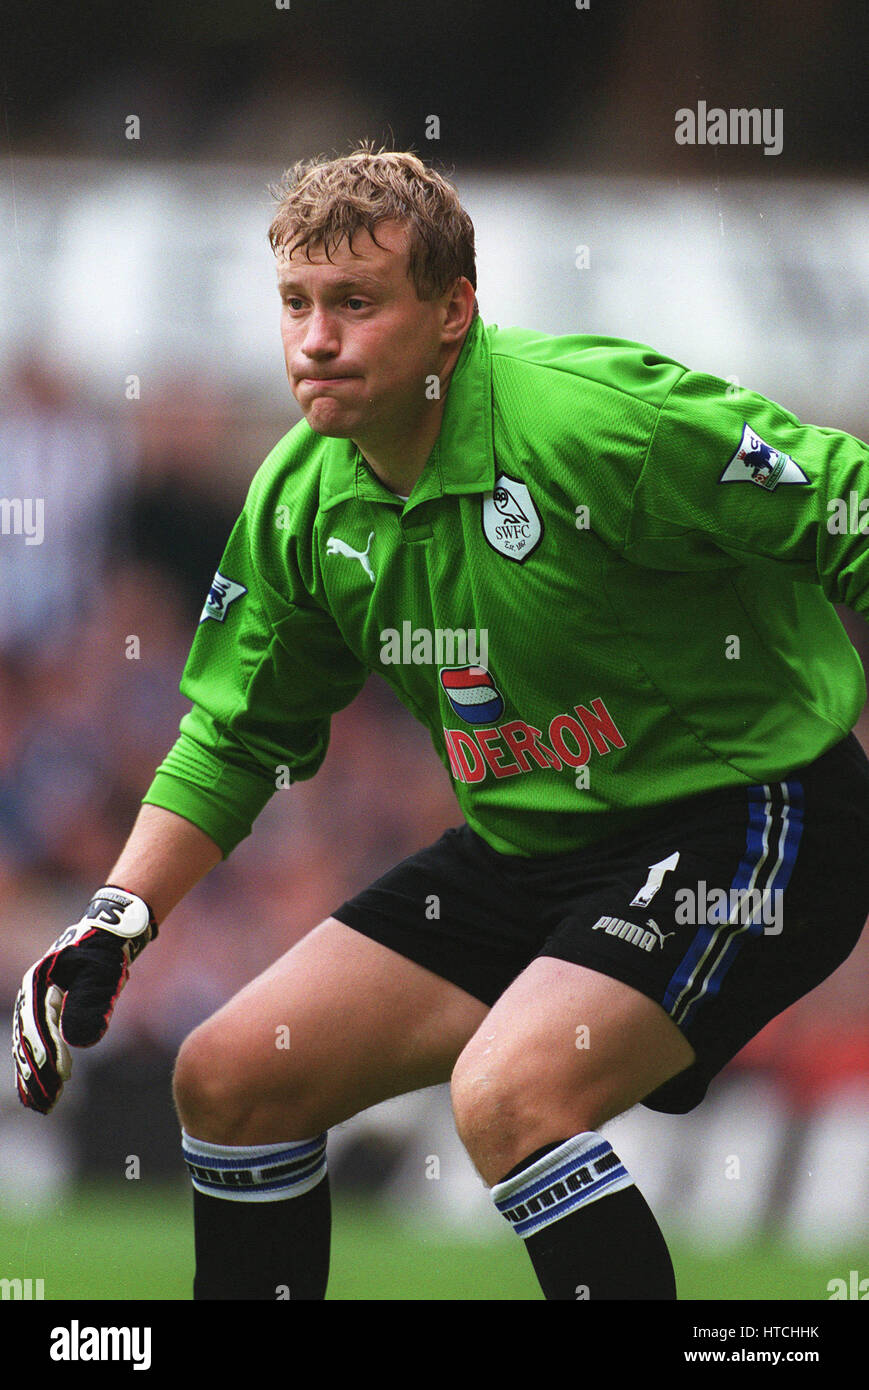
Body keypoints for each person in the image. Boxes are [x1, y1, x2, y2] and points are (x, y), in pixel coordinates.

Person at [13, 145, 869, 1302]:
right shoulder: (302, 499)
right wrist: (119, 911)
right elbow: (235, 734)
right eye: (296, 304)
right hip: (531, 849)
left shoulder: (591, 420)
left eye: (356, 303)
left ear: (452, 313)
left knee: (511, 1094)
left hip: (750, 819)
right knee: (230, 1077)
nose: (315, 338)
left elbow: (842, 507)